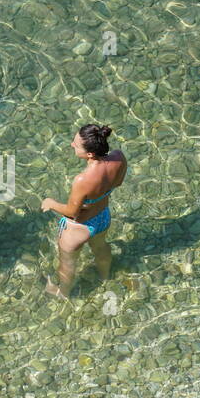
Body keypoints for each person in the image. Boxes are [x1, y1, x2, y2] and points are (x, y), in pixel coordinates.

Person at [41, 124, 127, 297]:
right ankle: (105, 278)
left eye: (75, 144)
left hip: (78, 228)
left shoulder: (82, 179)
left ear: (89, 154)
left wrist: (51, 203)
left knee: (67, 264)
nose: (72, 145)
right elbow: (118, 183)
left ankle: (62, 293)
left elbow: (72, 212)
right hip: (103, 217)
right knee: (101, 248)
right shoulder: (119, 157)